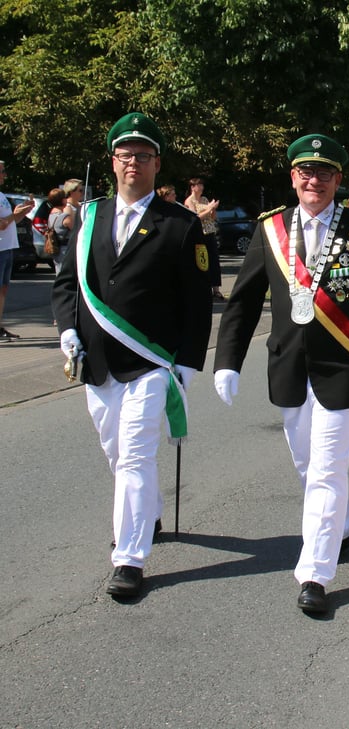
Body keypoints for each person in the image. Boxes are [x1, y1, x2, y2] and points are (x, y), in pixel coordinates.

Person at [212, 133, 349, 616]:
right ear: (293, 177)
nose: (313, 180)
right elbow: (243, 303)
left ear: (338, 180)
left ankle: (315, 573)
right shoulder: (271, 228)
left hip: (341, 365)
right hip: (287, 364)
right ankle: (338, 525)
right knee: (306, 463)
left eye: (323, 173)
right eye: (305, 172)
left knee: (327, 468)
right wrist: (227, 361)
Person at [51, 112, 213, 598]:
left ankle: (129, 557)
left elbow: (197, 302)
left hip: (151, 363)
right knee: (116, 452)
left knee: (136, 454)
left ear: (157, 164)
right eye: (125, 155)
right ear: (113, 161)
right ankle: (147, 512)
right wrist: (67, 331)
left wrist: (187, 364)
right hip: (98, 362)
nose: (133, 164)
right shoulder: (89, 217)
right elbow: (67, 284)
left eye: (143, 156)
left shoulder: (180, 224)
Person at [0, 161, 36, 342]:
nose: (5, 175)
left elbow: (10, 221)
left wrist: (23, 212)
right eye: (2, 172)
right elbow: (2, 224)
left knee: (3, 290)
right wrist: (14, 215)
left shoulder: (1, 195)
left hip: (7, 248)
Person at [183, 177, 224, 300]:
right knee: (202, 261)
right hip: (199, 233)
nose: (201, 187)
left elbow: (212, 217)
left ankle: (216, 289)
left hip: (210, 231)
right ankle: (203, 287)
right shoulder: (189, 201)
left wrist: (213, 209)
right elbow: (195, 218)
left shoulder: (205, 199)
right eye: (199, 185)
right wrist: (209, 208)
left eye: (202, 185)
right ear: (192, 187)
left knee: (214, 259)